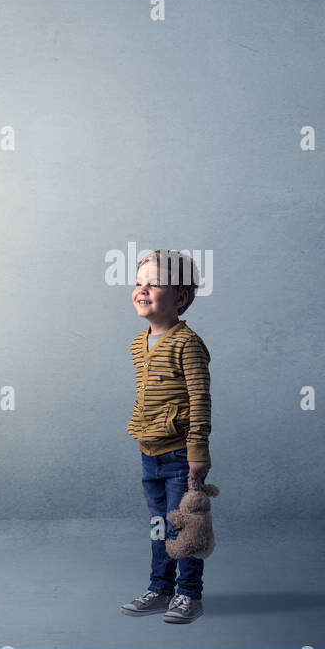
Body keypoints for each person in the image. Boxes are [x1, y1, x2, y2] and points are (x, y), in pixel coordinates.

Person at [120, 250, 212, 624]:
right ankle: (160, 588)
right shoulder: (137, 345)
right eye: (139, 282)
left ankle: (189, 595)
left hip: (179, 456)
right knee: (159, 525)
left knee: (185, 527)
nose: (142, 290)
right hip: (149, 452)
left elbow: (200, 398)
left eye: (153, 283)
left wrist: (198, 450)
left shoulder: (187, 343)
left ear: (181, 298)